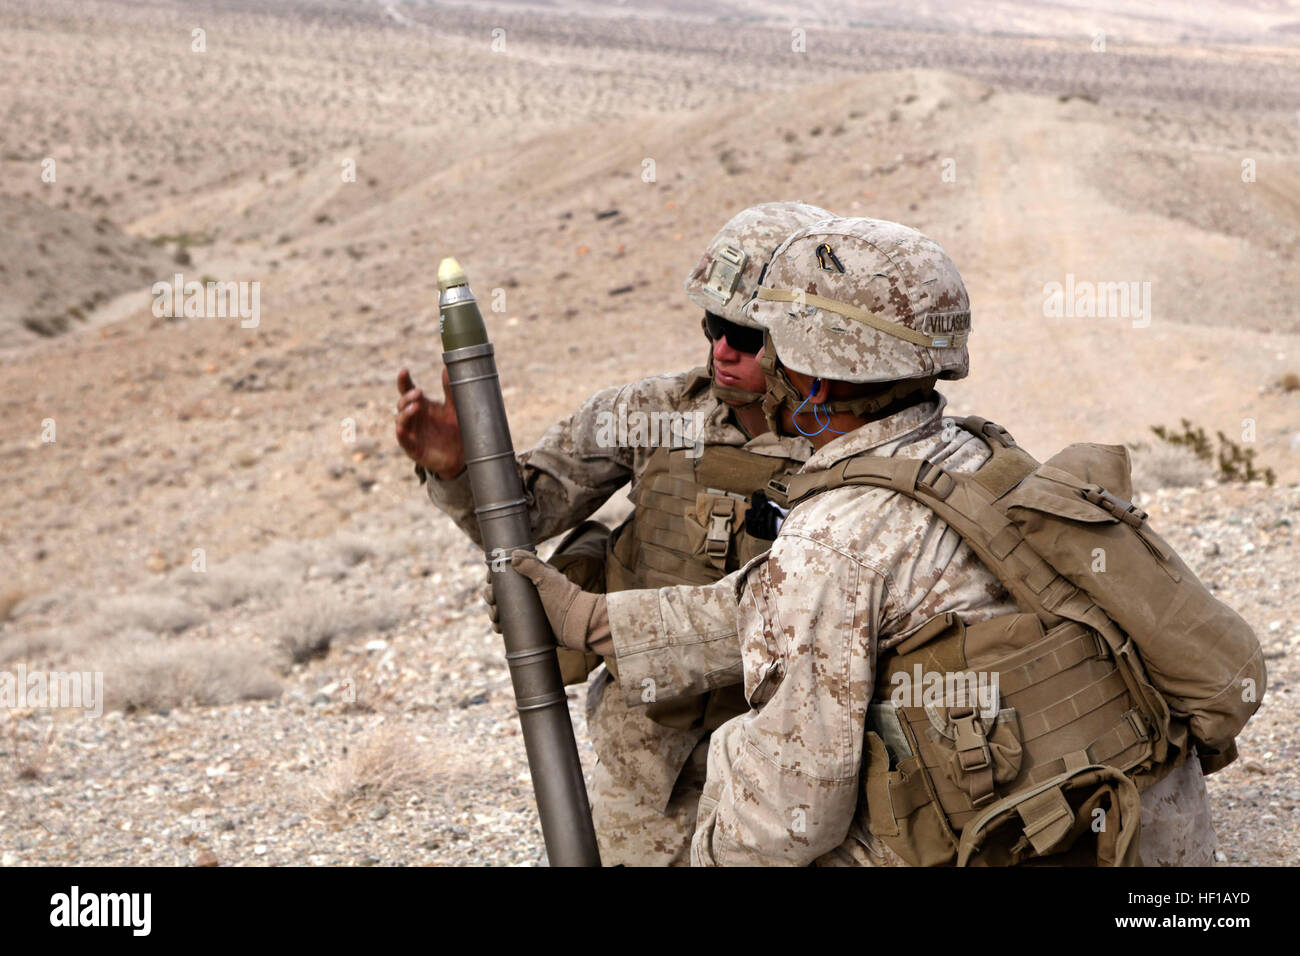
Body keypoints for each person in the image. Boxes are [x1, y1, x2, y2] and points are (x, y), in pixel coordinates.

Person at [512, 216, 1219, 866]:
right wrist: (599, 623)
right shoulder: (984, 456)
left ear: (815, 382)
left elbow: (793, 817)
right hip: (1139, 834)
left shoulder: (834, 539)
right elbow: (768, 602)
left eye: (770, 343)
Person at [395, 201, 834, 865]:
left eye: (745, 336)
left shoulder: (850, 445)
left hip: (786, 752)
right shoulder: (651, 414)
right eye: (714, 325)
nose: (721, 349)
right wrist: (461, 468)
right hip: (649, 757)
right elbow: (527, 512)